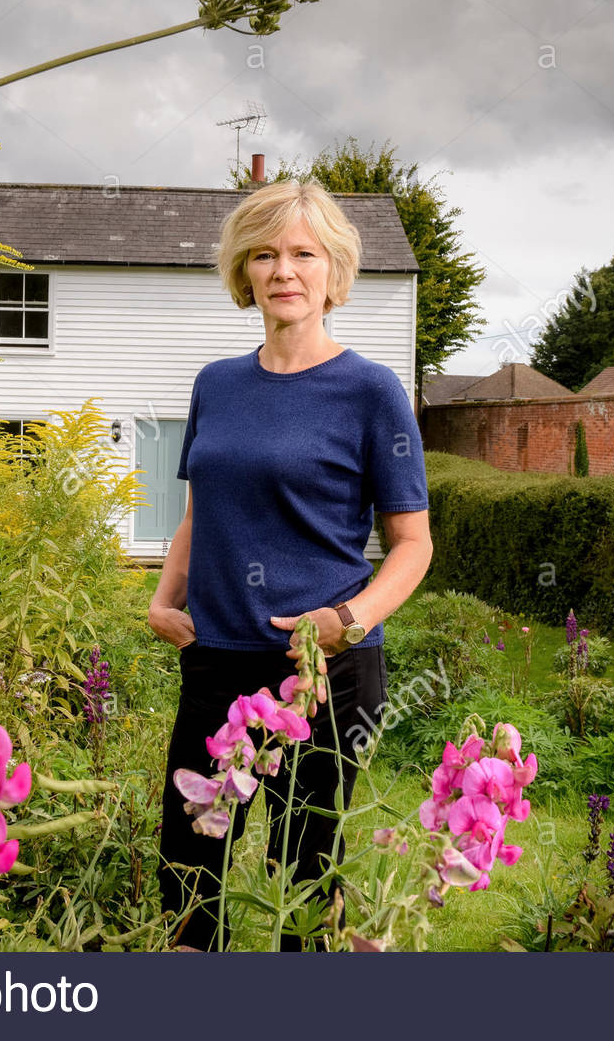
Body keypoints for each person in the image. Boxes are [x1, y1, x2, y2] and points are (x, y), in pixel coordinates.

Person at [148, 178, 432, 951]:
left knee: (305, 876)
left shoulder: (371, 391)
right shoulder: (217, 384)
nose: (284, 270)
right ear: (243, 271)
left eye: (304, 254)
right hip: (216, 660)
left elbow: (413, 544)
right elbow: (201, 508)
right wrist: (163, 596)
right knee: (188, 865)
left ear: (333, 272)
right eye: (265, 254)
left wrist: (346, 622)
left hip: (324, 673)